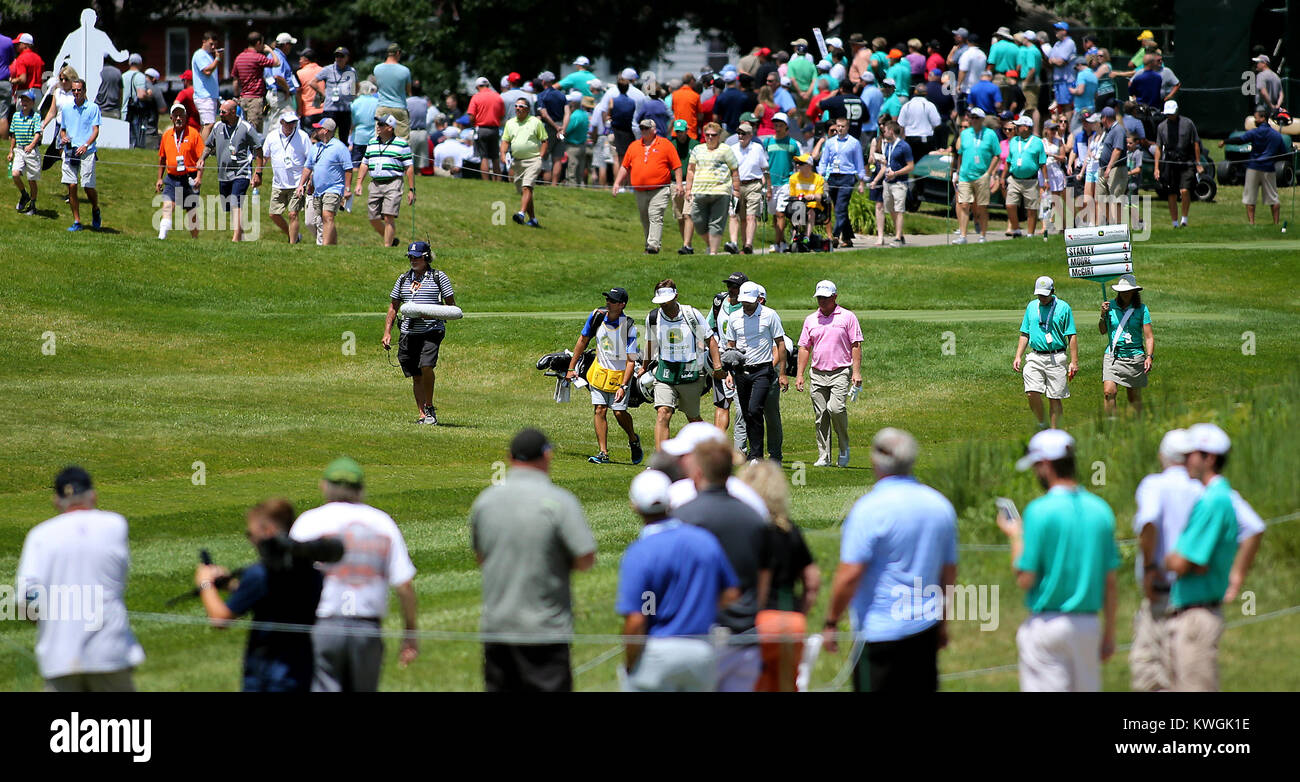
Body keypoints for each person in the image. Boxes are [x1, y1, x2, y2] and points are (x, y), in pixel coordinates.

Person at [1131, 428, 1265, 692]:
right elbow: (1253, 527)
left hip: (1178, 599)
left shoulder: (1205, 497)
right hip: (1190, 598)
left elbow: (1162, 540)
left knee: (1161, 682)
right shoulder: (1214, 493)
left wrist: (1156, 565)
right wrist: (1234, 576)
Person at [824, 428, 958, 692]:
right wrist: (943, 622)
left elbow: (850, 574)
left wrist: (831, 620)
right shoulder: (939, 505)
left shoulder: (868, 509)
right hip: (924, 629)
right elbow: (948, 574)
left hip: (879, 633)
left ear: (875, 461)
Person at [471, 428, 597, 692]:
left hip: (498, 628)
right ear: (547, 456)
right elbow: (585, 558)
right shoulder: (560, 501)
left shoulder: (486, 501)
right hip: (545, 629)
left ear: (509, 457)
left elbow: (481, 557)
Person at [998, 429, 1119, 692]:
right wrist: (1109, 632)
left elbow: (1024, 577)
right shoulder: (1101, 510)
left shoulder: (1039, 512)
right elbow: (1110, 581)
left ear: (1045, 465)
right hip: (1088, 624)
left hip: (1048, 625)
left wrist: (1015, 536)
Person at [289, 457, 419, 692]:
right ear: (361, 489)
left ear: (324, 486)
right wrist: (410, 632)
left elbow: (288, 580)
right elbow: (404, 585)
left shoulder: (308, 522)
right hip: (366, 628)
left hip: (323, 624)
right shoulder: (382, 522)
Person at [16, 466, 146, 692]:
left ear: (57, 501)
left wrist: (47, 617)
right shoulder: (115, 525)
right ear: (93, 495)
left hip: (60, 656)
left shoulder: (39, 536)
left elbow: (25, 597)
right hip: (110, 651)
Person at [617, 469, 740, 692]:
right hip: (701, 651)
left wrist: (629, 664)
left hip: (658, 651)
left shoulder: (639, 552)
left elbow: (636, 620)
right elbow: (731, 593)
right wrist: (700, 608)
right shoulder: (704, 540)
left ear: (634, 506)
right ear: (670, 502)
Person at [673, 439, 772, 692]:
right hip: (745, 638)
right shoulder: (754, 517)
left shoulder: (682, 518)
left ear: (696, 473)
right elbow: (764, 578)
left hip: (698, 638)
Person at [195, 498, 323, 692]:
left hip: (267, 676)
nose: (251, 539)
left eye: (251, 534)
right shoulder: (309, 570)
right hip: (302, 671)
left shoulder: (259, 574)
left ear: (267, 531)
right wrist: (232, 585)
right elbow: (279, 597)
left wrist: (205, 584)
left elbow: (220, 618)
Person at [1162, 424, 1239, 692]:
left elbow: (1182, 562)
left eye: (1192, 454)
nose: (1186, 460)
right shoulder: (1220, 497)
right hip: (1196, 608)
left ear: (1210, 458)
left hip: (1196, 614)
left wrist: (1167, 559)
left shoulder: (1211, 502)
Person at [739, 460, 818, 692]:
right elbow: (812, 581)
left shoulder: (746, 532)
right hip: (790, 623)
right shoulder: (790, 530)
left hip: (756, 622)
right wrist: (799, 612)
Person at [565, 287, 644, 465]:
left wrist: (624, 386)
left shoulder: (629, 326)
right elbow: (583, 341)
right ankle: (603, 453)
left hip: (620, 374)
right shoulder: (597, 316)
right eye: (608, 298)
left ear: (622, 305)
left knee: (618, 412)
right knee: (600, 409)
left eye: (613, 300)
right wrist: (571, 368)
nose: (608, 302)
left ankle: (633, 439)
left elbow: (631, 360)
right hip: (600, 371)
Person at [642, 280, 725, 447]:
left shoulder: (691, 314)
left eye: (667, 301)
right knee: (663, 413)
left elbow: (711, 340)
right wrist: (644, 366)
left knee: (693, 417)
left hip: (690, 370)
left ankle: (714, 447)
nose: (664, 305)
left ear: (676, 297)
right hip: (665, 370)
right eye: (661, 302)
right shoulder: (653, 317)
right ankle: (661, 462)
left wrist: (717, 367)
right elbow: (651, 344)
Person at [382, 241, 455, 425]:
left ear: (426, 257)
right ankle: (423, 415)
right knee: (416, 374)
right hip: (408, 332)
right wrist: (387, 332)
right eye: (410, 257)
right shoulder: (403, 279)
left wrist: (427, 312)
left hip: (432, 330)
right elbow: (393, 307)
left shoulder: (439, 277)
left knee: (426, 366)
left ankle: (430, 408)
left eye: (417, 257)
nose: (413, 260)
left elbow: (451, 307)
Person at [795, 279, 863, 467]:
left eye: (826, 298)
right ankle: (824, 455)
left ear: (834, 297)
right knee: (821, 414)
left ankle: (843, 448)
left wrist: (856, 373)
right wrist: (800, 375)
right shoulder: (811, 320)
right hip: (817, 373)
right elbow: (804, 348)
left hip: (840, 371)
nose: (822, 301)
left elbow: (856, 345)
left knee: (836, 408)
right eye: (819, 298)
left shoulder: (847, 317)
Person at [725, 280, 787, 463]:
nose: (745, 304)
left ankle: (756, 456)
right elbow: (730, 346)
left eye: (749, 301)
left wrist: (782, 373)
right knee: (746, 413)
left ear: (757, 299)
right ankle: (754, 454)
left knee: (754, 410)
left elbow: (780, 344)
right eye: (743, 301)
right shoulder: (734, 317)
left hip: (762, 369)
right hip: (740, 371)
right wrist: (729, 372)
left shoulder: (769, 315)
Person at [1014, 275, 1078, 429]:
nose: (1042, 297)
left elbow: (1071, 335)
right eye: (1039, 294)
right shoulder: (1031, 307)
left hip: (1056, 357)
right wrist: (1018, 356)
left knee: (1054, 398)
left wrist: (1074, 361)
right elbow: (1025, 333)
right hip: (1035, 356)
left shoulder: (1063, 307)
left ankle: (1055, 433)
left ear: (1052, 291)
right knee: (1031, 392)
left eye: (1045, 294)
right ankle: (1042, 423)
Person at [613, 116, 683, 254]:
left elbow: (677, 166)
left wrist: (679, 184)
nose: (643, 130)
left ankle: (653, 245)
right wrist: (617, 183)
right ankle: (648, 245)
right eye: (641, 128)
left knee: (655, 215)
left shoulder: (665, 144)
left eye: (646, 128)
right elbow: (625, 167)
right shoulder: (634, 146)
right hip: (640, 190)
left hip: (660, 189)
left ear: (654, 130)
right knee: (645, 218)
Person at [206, 99, 263, 242]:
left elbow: (258, 149)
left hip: (242, 172)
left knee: (235, 202)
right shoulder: (218, 126)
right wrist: (202, 158)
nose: (220, 114)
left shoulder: (246, 127)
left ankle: (235, 238)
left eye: (223, 112)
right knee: (229, 207)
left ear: (233, 112)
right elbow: (208, 145)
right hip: (223, 174)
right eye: (219, 111)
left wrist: (258, 173)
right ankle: (241, 235)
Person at [1096, 273, 1153, 416]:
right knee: (1109, 392)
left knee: (1133, 397)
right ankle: (1111, 429)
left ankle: (1137, 428)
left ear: (1134, 291)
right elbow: (1103, 330)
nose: (1125, 294)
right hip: (1113, 355)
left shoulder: (1142, 309)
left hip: (1134, 356)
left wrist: (1149, 356)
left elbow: (1149, 336)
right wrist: (1103, 315)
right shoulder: (1110, 306)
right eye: (1122, 291)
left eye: (1128, 291)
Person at [355, 114, 415, 246]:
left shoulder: (402, 144)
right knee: (373, 218)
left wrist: (412, 189)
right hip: (375, 183)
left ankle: (387, 247)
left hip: (393, 182)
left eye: (381, 124)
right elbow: (365, 163)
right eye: (378, 124)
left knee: (389, 216)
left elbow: (409, 167)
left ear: (390, 128)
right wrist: (359, 183)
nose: (378, 127)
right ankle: (391, 240)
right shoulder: (371, 142)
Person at [685, 121, 740, 255]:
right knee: (697, 220)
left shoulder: (725, 149)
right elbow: (691, 169)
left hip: (720, 192)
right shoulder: (698, 149)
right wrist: (688, 189)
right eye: (707, 135)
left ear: (719, 135)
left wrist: (736, 190)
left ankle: (713, 253)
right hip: (699, 191)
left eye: (713, 135)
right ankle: (711, 244)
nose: (710, 138)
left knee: (716, 223)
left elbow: (734, 170)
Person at [706, 272, 748, 446]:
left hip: (742, 360)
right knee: (722, 404)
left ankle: (741, 446)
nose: (731, 290)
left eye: (735, 287)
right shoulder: (719, 302)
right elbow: (709, 328)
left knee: (742, 407)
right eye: (729, 286)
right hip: (722, 358)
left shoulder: (748, 306)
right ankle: (717, 446)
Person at [257, 114, 309, 244]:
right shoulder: (272, 136)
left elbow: (310, 160)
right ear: (281, 122)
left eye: (293, 123)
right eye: (287, 123)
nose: (290, 125)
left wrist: (305, 182)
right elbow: (264, 156)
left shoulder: (303, 136)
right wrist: (258, 173)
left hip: (297, 183)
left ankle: (292, 245)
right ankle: (295, 236)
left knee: (293, 214)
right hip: (278, 183)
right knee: (273, 214)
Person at [155, 104, 205, 240]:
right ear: (171, 118)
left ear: (186, 117)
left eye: (181, 115)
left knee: (191, 212)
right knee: (167, 205)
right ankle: (162, 236)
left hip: (189, 178)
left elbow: (201, 159)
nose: (178, 118)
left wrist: (199, 178)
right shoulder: (166, 135)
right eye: (176, 115)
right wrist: (159, 178)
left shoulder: (194, 134)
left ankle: (195, 239)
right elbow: (162, 158)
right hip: (171, 178)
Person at [58, 78, 101, 232]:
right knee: (71, 185)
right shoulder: (66, 108)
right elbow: (63, 129)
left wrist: (86, 145)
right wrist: (63, 137)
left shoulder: (93, 108)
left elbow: (96, 130)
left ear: (84, 91)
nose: (76, 93)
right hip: (70, 150)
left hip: (87, 151)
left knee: (88, 186)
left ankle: (95, 208)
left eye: (79, 90)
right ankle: (77, 221)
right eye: (74, 90)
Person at [1232, 107, 1287, 225]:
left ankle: (1252, 222)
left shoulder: (1254, 132)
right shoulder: (1276, 135)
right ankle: (1276, 223)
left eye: (1256, 118)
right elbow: (1283, 152)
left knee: (1250, 197)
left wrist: (1225, 141)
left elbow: (1240, 140)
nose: (1255, 120)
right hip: (1269, 168)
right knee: (1273, 197)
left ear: (1262, 118)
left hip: (1254, 167)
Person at [302, 117, 353, 245]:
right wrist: (301, 184)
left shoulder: (340, 147)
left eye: (318, 128)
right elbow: (308, 167)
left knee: (328, 216)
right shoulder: (316, 147)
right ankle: (333, 245)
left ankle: (324, 247)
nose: (315, 131)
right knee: (321, 219)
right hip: (318, 190)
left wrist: (347, 189)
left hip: (334, 188)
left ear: (325, 130)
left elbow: (348, 169)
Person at [817, 117, 867, 248]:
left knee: (841, 207)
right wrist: (820, 175)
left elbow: (859, 164)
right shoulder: (830, 143)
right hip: (833, 176)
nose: (839, 129)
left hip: (848, 177)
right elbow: (824, 160)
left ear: (847, 127)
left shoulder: (854, 143)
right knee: (839, 209)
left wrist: (861, 182)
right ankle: (847, 238)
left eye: (842, 126)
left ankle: (835, 235)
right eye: (838, 126)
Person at [953, 108, 1000, 243]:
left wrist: (989, 173)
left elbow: (997, 155)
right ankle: (963, 235)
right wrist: (958, 172)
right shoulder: (965, 134)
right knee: (963, 204)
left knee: (981, 207)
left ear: (982, 120)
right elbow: (960, 154)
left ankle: (983, 235)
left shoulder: (990, 134)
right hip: (965, 175)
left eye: (976, 118)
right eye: (971, 117)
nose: (973, 120)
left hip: (982, 176)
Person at [1152, 100, 1201, 228]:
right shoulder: (1162, 127)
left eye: (1171, 114)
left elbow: (1195, 143)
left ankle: (1184, 219)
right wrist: (1156, 167)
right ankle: (1174, 222)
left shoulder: (1188, 123)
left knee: (1185, 190)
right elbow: (1158, 147)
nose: (1170, 116)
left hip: (1186, 160)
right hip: (1169, 161)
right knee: (1171, 193)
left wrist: (1198, 162)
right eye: (1168, 114)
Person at [501, 97, 547, 228]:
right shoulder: (510, 123)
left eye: (521, 106)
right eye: (516, 106)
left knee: (527, 187)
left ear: (527, 109)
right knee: (525, 191)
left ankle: (521, 214)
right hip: (517, 162)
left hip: (533, 160)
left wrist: (541, 156)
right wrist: (503, 154)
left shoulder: (535, 122)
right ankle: (533, 219)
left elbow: (544, 140)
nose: (518, 108)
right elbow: (505, 141)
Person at [725, 122, 769, 254]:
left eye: (743, 133)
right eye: (738, 133)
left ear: (750, 135)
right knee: (736, 216)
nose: (740, 136)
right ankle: (737, 244)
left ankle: (748, 244)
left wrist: (766, 185)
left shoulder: (757, 148)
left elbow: (764, 167)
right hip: (736, 185)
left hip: (753, 184)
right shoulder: (732, 149)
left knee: (751, 216)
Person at [761, 112, 800, 252]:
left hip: (786, 182)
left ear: (786, 126)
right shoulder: (767, 142)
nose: (777, 127)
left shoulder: (793, 144)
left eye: (780, 125)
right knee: (774, 214)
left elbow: (798, 164)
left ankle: (777, 244)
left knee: (781, 213)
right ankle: (781, 240)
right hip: (771, 183)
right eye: (775, 124)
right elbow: (764, 163)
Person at [1005, 115, 1046, 238]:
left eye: (1018, 126)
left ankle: (1030, 234)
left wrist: (1045, 180)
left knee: (1031, 208)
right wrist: (1002, 176)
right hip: (1014, 179)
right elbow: (1008, 160)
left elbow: (1042, 163)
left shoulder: (1038, 142)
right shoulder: (1013, 141)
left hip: (1031, 180)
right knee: (1010, 205)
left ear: (1026, 127)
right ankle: (1016, 229)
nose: (1016, 128)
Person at [875, 120, 913, 247]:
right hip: (888, 182)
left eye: (885, 131)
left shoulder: (904, 146)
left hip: (899, 183)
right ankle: (900, 233)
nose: (883, 133)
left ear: (891, 131)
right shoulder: (888, 146)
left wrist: (896, 173)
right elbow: (887, 163)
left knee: (899, 209)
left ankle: (897, 238)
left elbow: (910, 166)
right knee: (891, 210)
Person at [232, 32, 276, 134]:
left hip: (243, 99)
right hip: (255, 99)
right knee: (254, 133)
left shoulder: (239, 58)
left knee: (244, 129)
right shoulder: (258, 57)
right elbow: (276, 62)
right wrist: (270, 50)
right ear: (258, 43)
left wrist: (236, 96)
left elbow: (235, 80)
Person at [314, 47, 357, 143]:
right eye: (337, 56)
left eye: (341, 56)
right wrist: (323, 94)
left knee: (344, 137)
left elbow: (355, 87)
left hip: (345, 109)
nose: (339, 58)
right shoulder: (328, 69)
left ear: (347, 58)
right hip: (330, 109)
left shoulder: (351, 71)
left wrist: (352, 98)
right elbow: (313, 82)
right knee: (327, 135)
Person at [9, 89, 41, 214]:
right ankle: (24, 195)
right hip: (19, 149)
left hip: (31, 151)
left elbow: (38, 133)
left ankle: (32, 204)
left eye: (27, 100)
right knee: (15, 174)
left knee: (32, 179)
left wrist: (32, 145)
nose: (24, 102)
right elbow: (13, 135)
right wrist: (11, 151)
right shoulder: (16, 116)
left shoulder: (36, 116)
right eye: (23, 100)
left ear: (33, 103)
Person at [786, 152, 827, 248]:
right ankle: (794, 236)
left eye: (800, 163)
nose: (797, 165)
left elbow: (819, 197)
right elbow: (792, 195)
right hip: (798, 204)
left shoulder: (818, 179)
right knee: (798, 210)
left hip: (813, 205)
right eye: (796, 163)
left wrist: (811, 196)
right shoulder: (793, 178)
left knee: (810, 213)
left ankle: (807, 236)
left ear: (809, 166)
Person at [467, 76, 504, 179]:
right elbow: (501, 115)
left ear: (478, 86)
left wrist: (474, 123)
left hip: (482, 129)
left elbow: (471, 116)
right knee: (495, 156)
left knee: (484, 157)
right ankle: (498, 180)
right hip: (495, 129)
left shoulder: (476, 97)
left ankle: (486, 181)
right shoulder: (497, 96)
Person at [373, 43, 411, 138]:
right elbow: (408, 91)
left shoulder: (377, 69)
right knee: (403, 140)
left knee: (380, 139)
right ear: (398, 53)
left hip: (382, 107)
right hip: (399, 107)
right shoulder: (405, 71)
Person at [263, 33, 299, 130]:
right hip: (281, 95)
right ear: (286, 45)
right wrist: (287, 89)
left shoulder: (272, 55)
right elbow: (278, 76)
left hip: (275, 93)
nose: (291, 47)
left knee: (276, 123)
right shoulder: (278, 57)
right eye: (290, 45)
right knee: (283, 124)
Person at [190, 32, 221, 140]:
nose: (213, 47)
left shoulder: (208, 56)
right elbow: (207, 71)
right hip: (203, 96)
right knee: (209, 124)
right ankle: (202, 152)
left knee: (205, 125)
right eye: (211, 44)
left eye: (215, 45)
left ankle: (199, 150)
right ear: (204, 41)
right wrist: (217, 59)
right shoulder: (199, 54)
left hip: (210, 96)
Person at [349, 80, 378, 166]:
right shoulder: (377, 102)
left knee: (356, 162)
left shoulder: (355, 103)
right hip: (373, 135)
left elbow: (352, 121)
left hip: (359, 136)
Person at [672, 73, 701, 140]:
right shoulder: (695, 96)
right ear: (691, 81)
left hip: (677, 131)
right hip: (691, 132)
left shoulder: (674, 94)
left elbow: (673, 110)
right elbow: (700, 116)